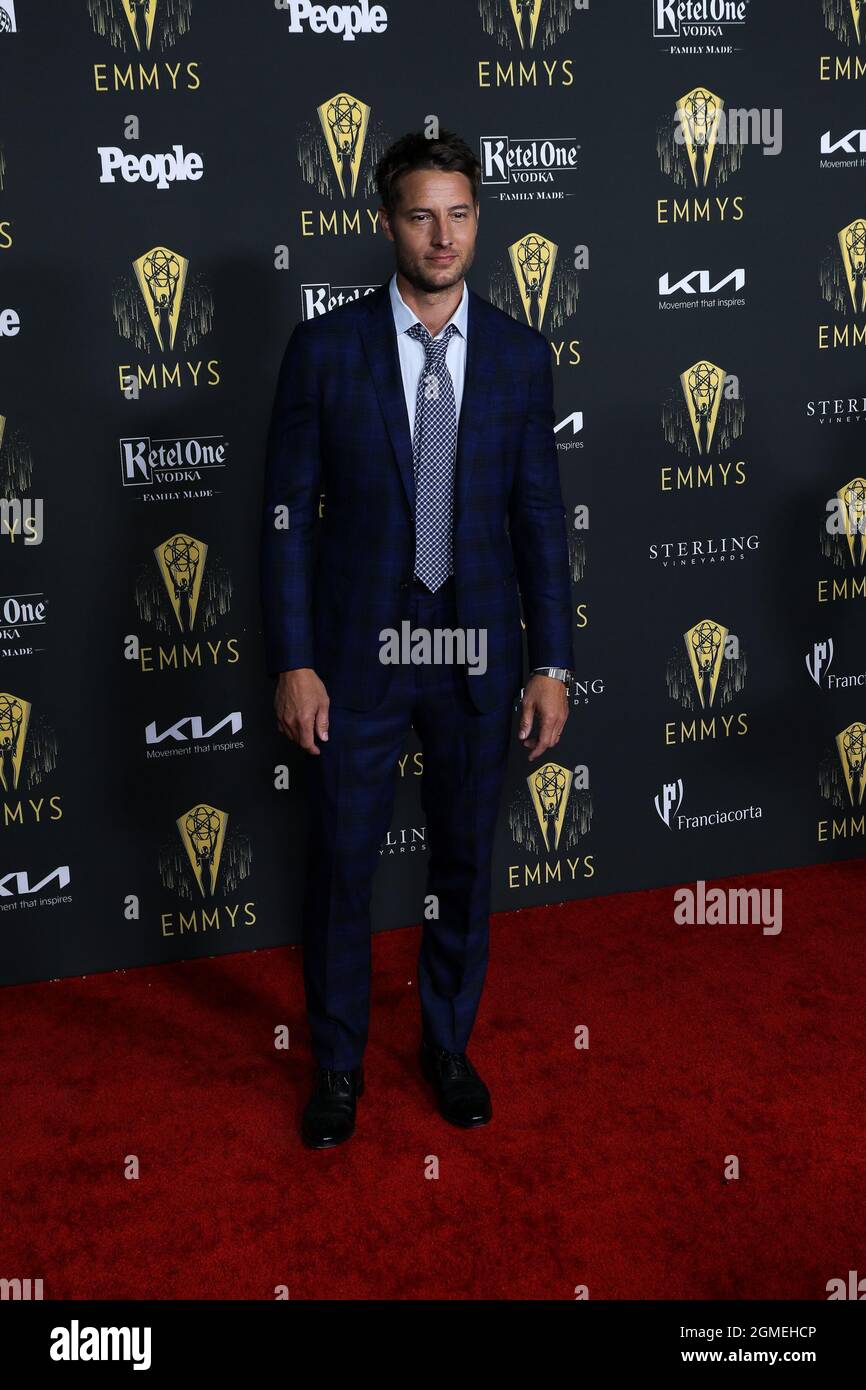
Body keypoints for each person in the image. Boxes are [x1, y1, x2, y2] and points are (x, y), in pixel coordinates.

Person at [259, 130, 574, 1148]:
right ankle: (338, 1064)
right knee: (343, 865)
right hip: (356, 655)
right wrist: (293, 658)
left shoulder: (523, 357)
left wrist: (551, 660)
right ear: (384, 222)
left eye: (459, 215)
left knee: (462, 866)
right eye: (419, 215)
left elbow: (538, 520)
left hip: (476, 650)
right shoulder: (323, 350)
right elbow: (283, 516)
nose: (441, 237)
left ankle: (445, 1042)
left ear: (477, 220)